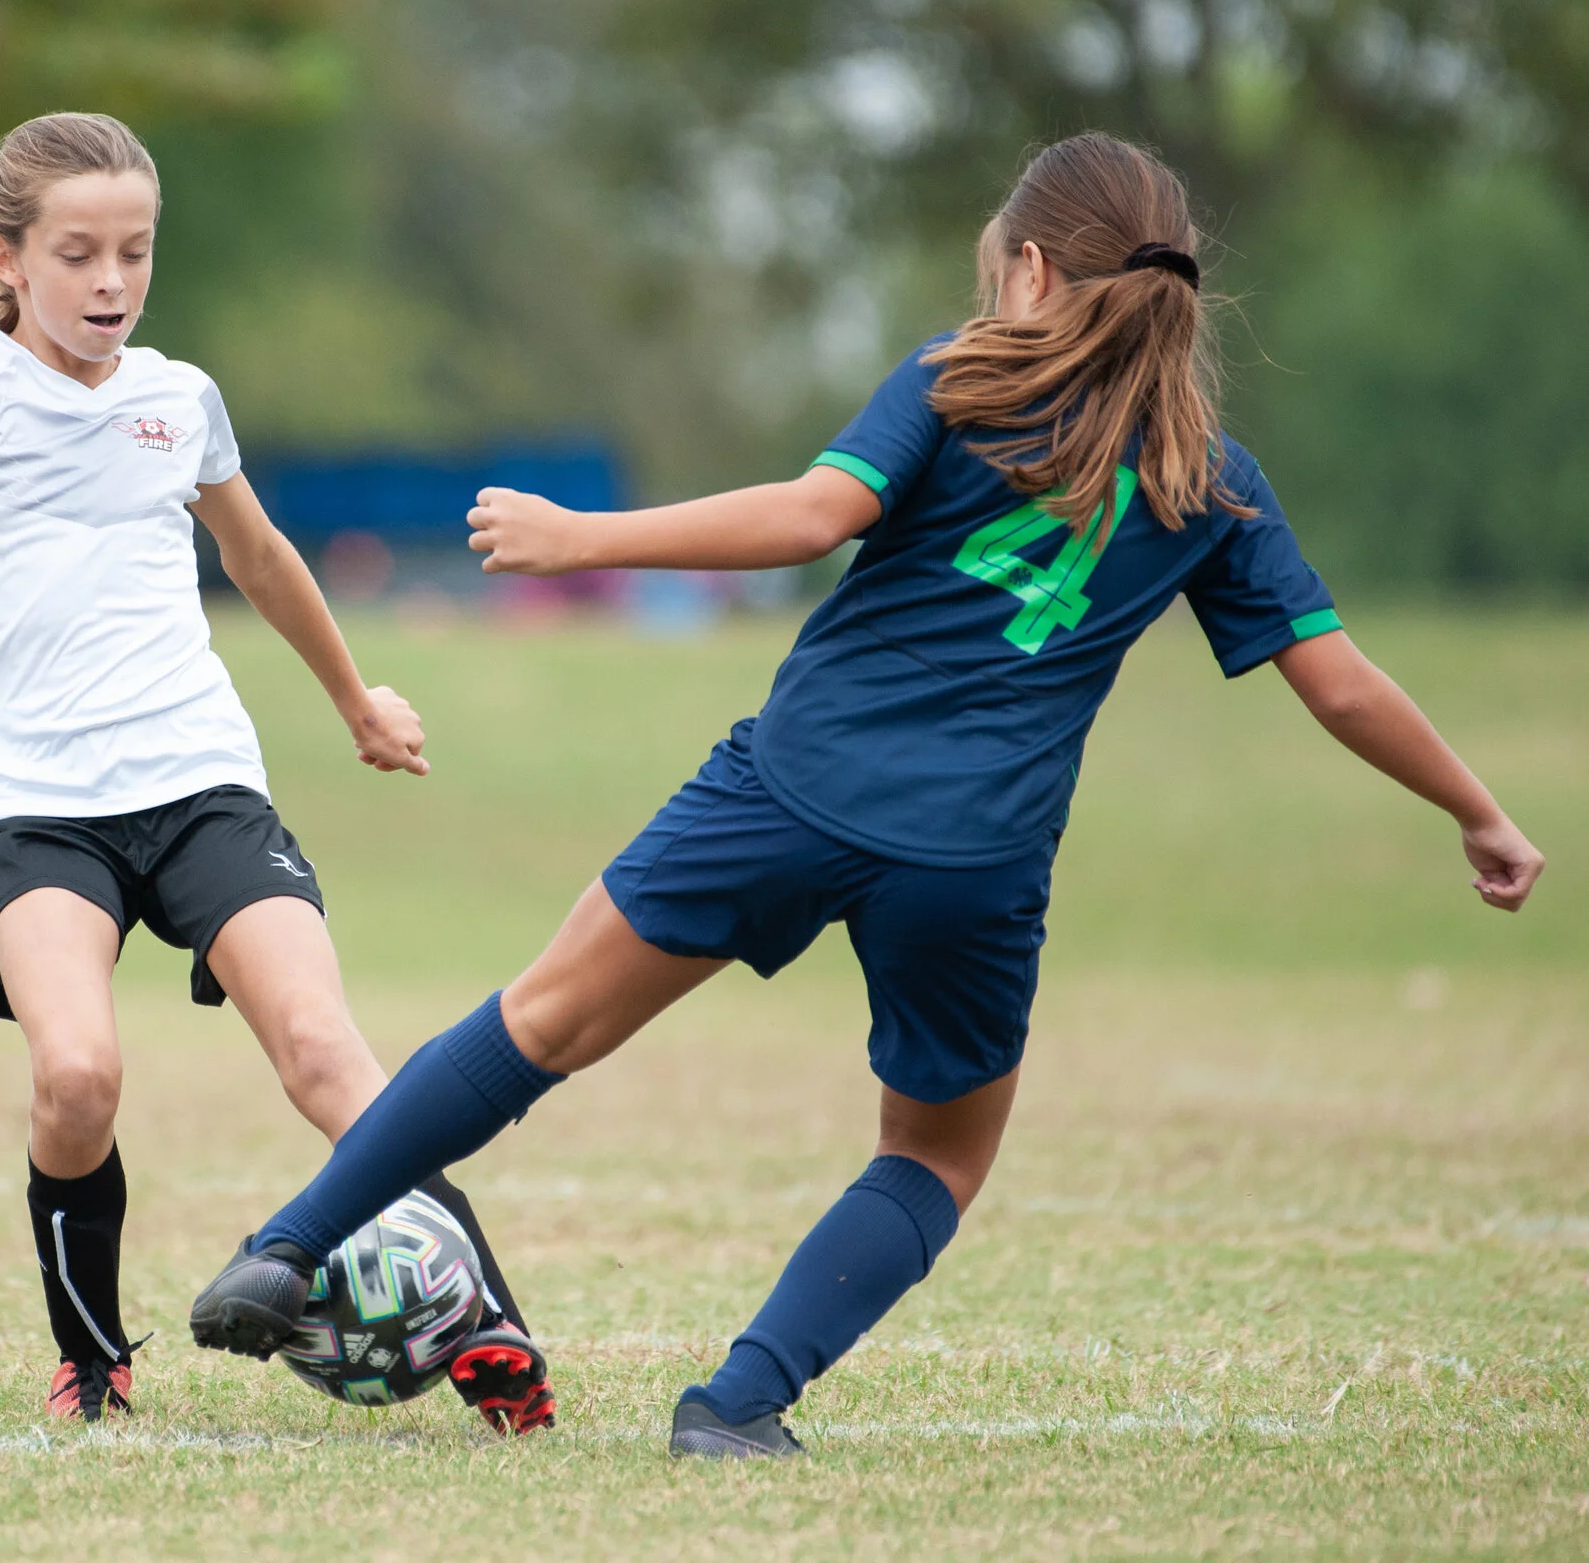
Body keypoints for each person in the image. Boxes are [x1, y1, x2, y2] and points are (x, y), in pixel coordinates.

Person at [186, 132, 1545, 1457]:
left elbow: (806, 517)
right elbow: (1343, 683)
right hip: (973, 858)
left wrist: (583, 538)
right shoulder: (1208, 479)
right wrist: (1477, 810)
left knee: (538, 1023)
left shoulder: (957, 382)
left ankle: (290, 1244)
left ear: (1026, 268)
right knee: (936, 1158)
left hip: (788, 788)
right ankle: (737, 1402)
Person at [0, 111, 555, 1431]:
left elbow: (262, 560)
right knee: (78, 1077)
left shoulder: (178, 396)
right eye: (80, 254)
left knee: (329, 1049)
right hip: (31, 814)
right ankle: (91, 1356)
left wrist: (357, 700)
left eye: (135, 253)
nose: (111, 283)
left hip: (200, 779)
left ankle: (484, 1324)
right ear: (11, 258)